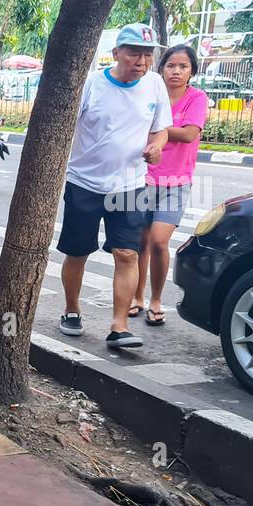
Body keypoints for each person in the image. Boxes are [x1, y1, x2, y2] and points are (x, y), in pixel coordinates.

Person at [57, 23, 172, 349]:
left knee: (127, 253)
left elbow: (160, 129)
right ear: (116, 53)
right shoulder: (91, 84)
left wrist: (157, 145)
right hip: (85, 183)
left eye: (147, 54)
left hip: (130, 186)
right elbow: (64, 126)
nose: (141, 61)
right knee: (78, 252)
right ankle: (71, 310)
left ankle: (119, 325)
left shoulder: (154, 85)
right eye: (134, 52)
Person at [131, 44, 206, 327]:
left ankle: (156, 300)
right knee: (141, 241)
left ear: (191, 71)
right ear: (161, 68)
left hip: (176, 182)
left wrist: (156, 128)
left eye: (183, 66)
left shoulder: (197, 98)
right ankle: (137, 298)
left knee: (159, 242)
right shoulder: (149, 93)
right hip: (143, 178)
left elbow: (188, 134)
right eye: (171, 65)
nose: (176, 71)